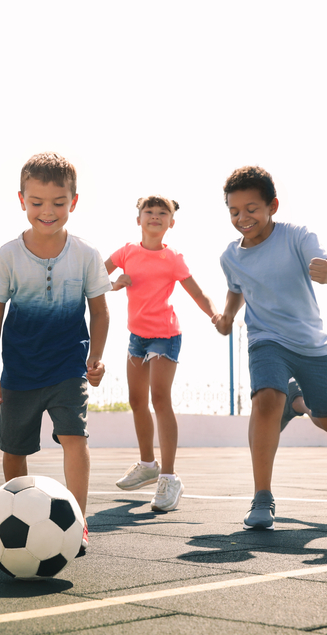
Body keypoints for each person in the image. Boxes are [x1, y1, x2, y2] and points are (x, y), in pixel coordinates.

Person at [0, 152, 110, 556]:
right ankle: (13, 512)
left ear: (73, 201)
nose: (47, 211)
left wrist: (97, 357)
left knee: (75, 436)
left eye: (57, 202)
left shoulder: (86, 255)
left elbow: (100, 310)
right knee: (14, 449)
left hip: (68, 366)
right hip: (20, 369)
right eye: (37, 203)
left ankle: (79, 524)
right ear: (22, 200)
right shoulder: (8, 255)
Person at [214, 166, 327, 531]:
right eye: (234, 211)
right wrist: (227, 316)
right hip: (266, 339)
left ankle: (299, 402)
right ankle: (263, 497)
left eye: (252, 209)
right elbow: (237, 287)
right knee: (266, 400)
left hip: (310, 343)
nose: (243, 218)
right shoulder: (230, 256)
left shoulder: (297, 236)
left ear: (272, 206)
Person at [105, 195, 221, 511]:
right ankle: (148, 464)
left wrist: (215, 316)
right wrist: (114, 283)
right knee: (136, 401)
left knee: (159, 399)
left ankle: (169, 478)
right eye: (149, 212)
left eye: (162, 213)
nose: (155, 216)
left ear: (171, 222)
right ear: (138, 219)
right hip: (137, 337)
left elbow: (197, 292)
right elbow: (94, 277)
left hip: (165, 335)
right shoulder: (126, 252)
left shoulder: (172, 259)